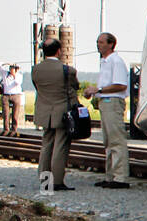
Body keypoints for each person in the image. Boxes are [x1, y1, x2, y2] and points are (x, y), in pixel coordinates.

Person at [31, 39, 79, 192]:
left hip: (44, 112)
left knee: (46, 146)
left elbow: (37, 87)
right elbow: (75, 87)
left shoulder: (36, 70)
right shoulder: (67, 70)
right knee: (60, 146)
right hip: (62, 113)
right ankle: (57, 181)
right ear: (58, 51)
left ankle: (45, 181)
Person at [83, 32, 130, 188]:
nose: (98, 44)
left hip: (113, 102)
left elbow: (121, 84)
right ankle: (111, 175)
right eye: (98, 42)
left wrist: (99, 90)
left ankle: (120, 177)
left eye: (102, 42)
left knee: (116, 139)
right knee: (108, 140)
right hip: (105, 101)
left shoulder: (116, 62)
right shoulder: (105, 62)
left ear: (111, 44)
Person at [0, 62, 23, 135]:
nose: (11, 70)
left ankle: (14, 130)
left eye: (13, 68)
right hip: (6, 95)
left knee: (15, 115)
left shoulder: (19, 76)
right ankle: (6, 130)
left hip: (16, 95)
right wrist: (6, 63)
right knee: (6, 114)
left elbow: (17, 82)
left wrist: (14, 75)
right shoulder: (5, 74)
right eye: (11, 68)